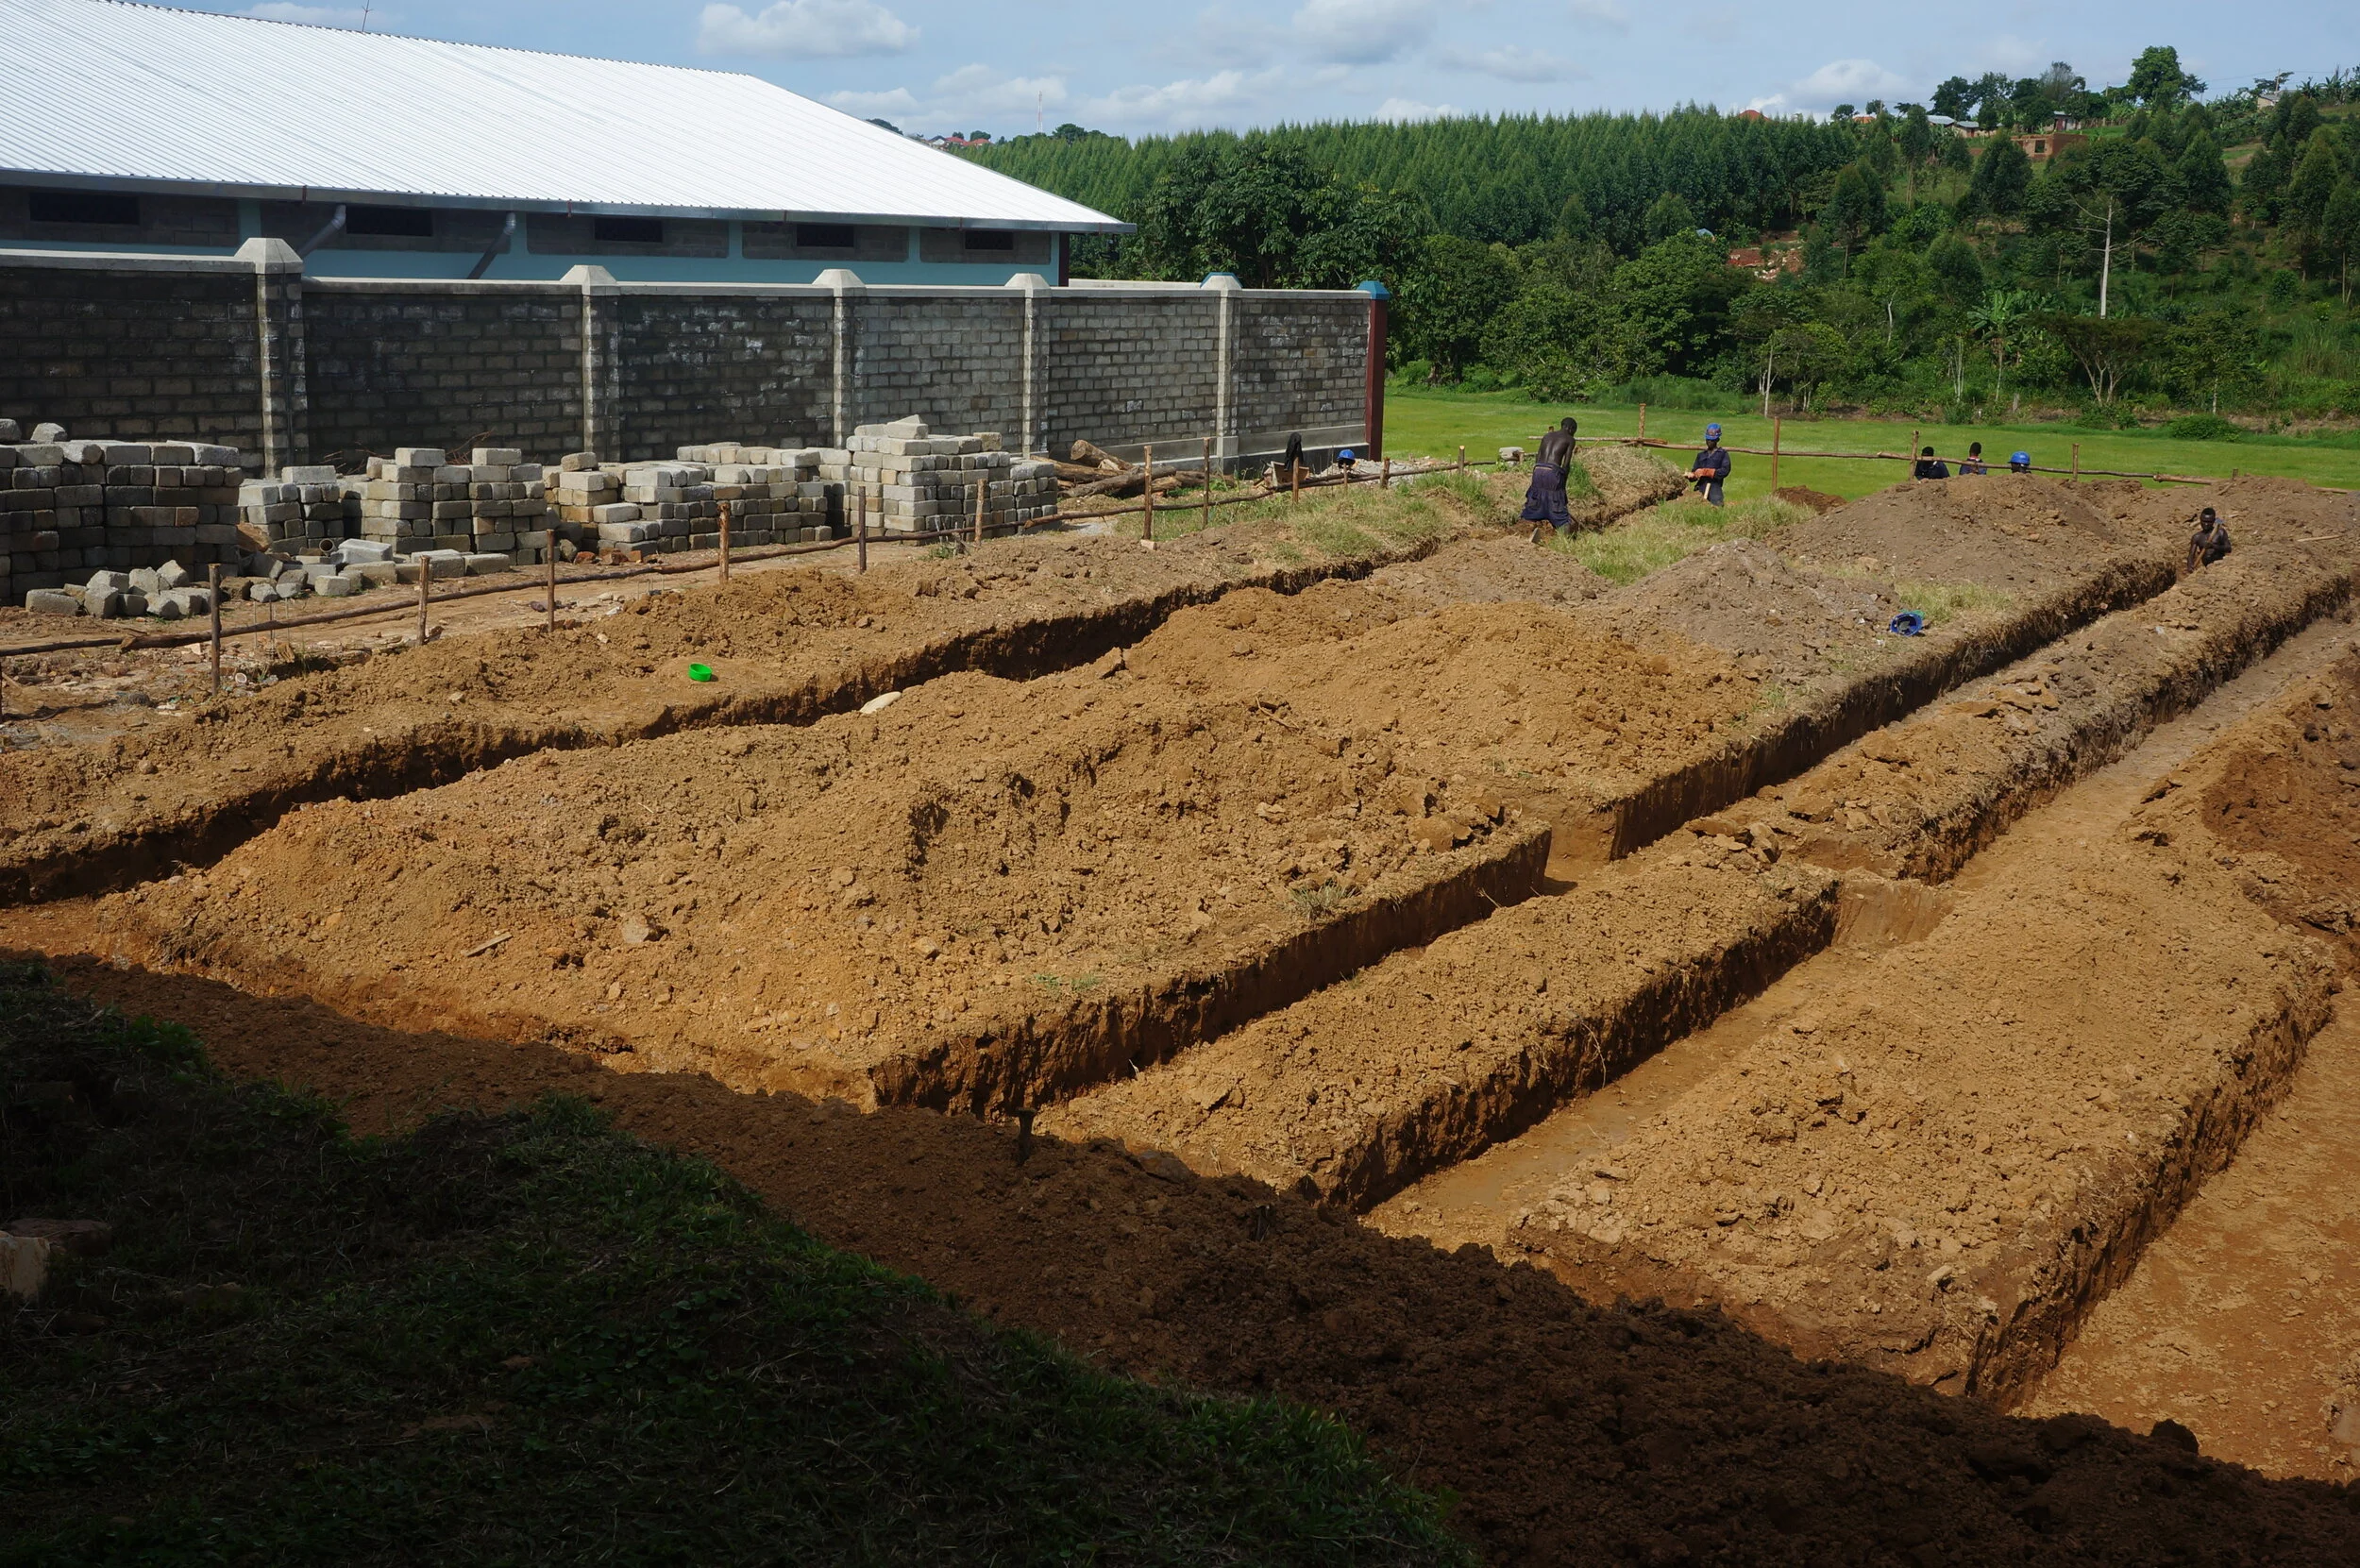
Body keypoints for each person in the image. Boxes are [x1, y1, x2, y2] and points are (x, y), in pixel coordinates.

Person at [1522, 418, 1579, 541]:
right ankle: (1565, 538)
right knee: (1557, 504)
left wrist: (1537, 475)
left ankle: (1524, 529)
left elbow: (1538, 457)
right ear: (1571, 428)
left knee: (1534, 501)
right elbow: (1566, 464)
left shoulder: (1547, 436)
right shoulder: (1570, 439)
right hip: (1553, 471)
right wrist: (1562, 485)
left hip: (1538, 469)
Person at [1689, 423, 1730, 506]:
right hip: (1701, 485)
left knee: (1717, 505)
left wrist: (1707, 472)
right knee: (1692, 504)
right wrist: (1692, 476)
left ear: (1717, 440)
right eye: (1708, 440)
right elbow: (1695, 471)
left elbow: (1725, 471)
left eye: (1712, 440)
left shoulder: (1722, 454)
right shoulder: (1701, 455)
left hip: (1714, 486)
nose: (1709, 442)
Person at [2185, 506, 2232, 572]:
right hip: (2206, 569)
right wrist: (2190, 566)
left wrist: (2213, 546)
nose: (2206, 524)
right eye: (2204, 521)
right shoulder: (2197, 537)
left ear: (2214, 521)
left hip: (2220, 567)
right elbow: (2191, 555)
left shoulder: (2220, 532)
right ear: (2200, 519)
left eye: (2209, 522)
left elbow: (2228, 549)